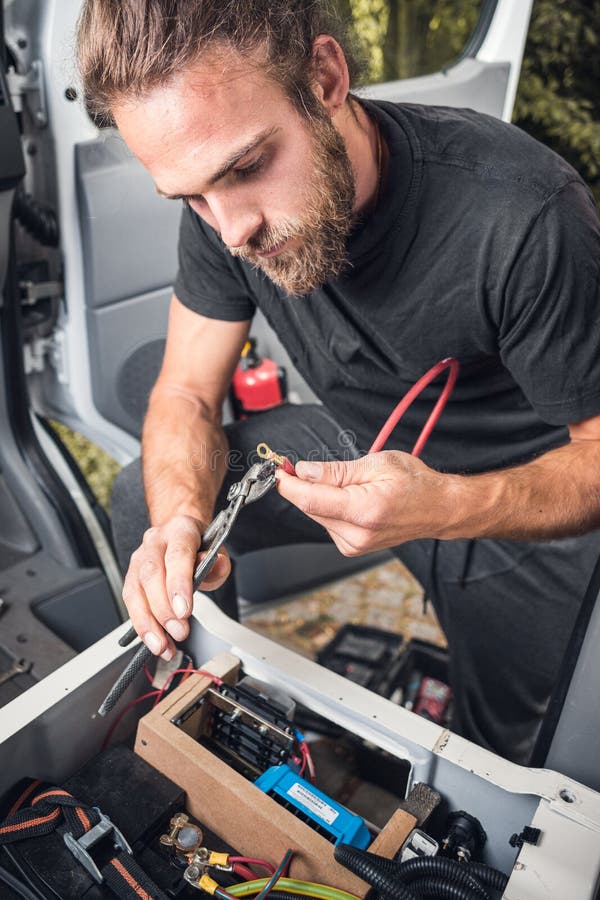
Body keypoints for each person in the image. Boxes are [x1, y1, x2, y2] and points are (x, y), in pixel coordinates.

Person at [77, 0, 600, 764]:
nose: (231, 230)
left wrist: (449, 505)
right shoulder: (223, 214)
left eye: (247, 167)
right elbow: (185, 392)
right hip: (363, 441)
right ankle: (211, 732)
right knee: (148, 503)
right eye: (190, 196)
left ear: (324, 78)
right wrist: (182, 522)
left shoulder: (525, 212)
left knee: (519, 759)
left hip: (515, 500)